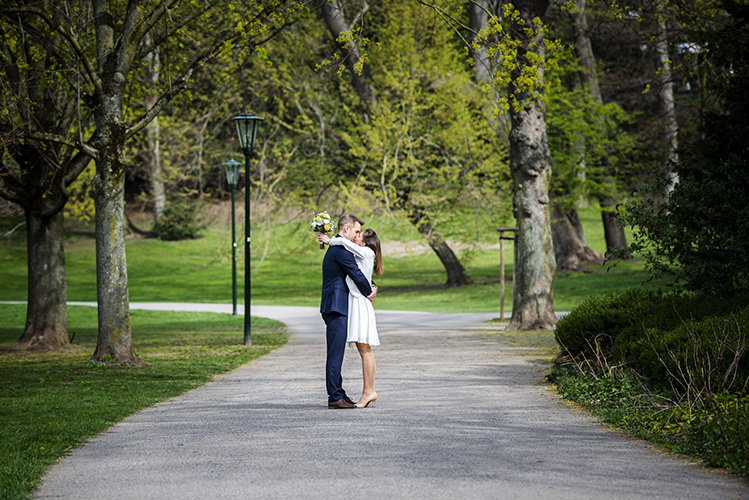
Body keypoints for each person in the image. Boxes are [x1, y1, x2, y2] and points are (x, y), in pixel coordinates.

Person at [320, 228, 383, 408]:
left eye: (359, 235)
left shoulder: (366, 251)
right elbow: (357, 271)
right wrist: (372, 285)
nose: (356, 237)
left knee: (365, 349)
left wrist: (330, 240)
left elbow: (344, 243)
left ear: (364, 243)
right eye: (356, 233)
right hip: (356, 302)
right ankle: (367, 391)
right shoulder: (361, 252)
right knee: (363, 349)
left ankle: (368, 392)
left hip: (360, 304)